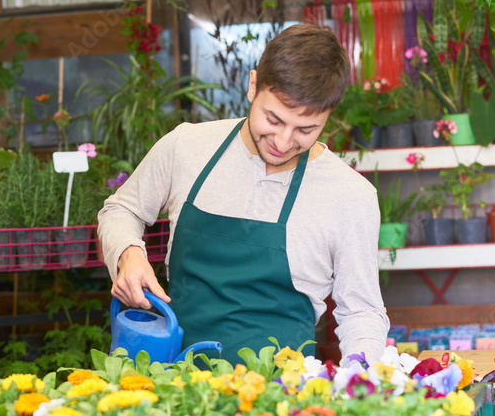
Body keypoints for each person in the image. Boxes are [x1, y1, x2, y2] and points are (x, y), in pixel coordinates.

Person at [97, 23, 389, 365]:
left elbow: (362, 312)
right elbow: (121, 210)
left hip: (281, 400)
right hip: (174, 387)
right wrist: (128, 255)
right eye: (273, 119)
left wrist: (361, 379)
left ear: (328, 117)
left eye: (305, 129)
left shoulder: (351, 196)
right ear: (253, 86)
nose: (282, 142)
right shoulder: (187, 147)